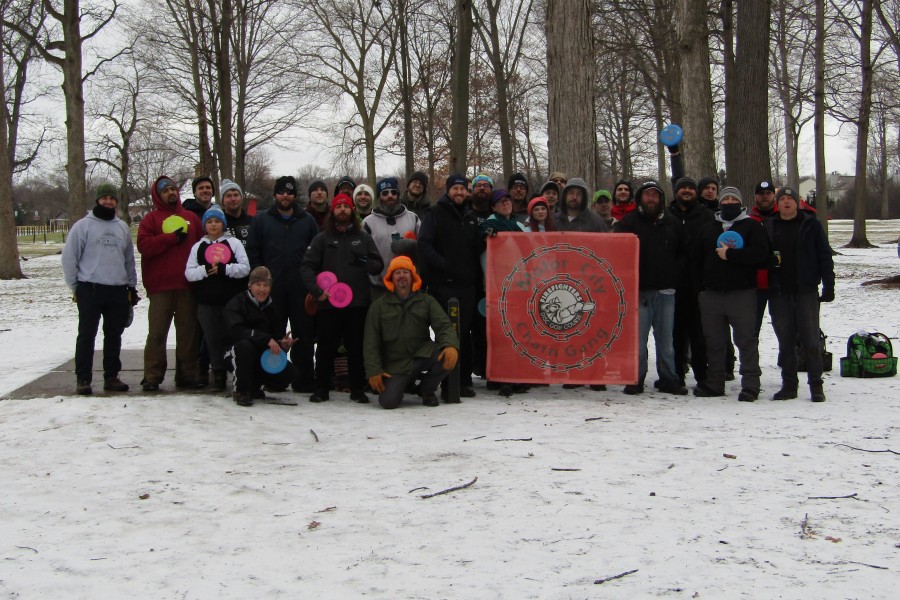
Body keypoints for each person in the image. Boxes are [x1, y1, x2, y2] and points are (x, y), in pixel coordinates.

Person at [301, 194, 384, 403]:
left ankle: (357, 389)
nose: (343, 210)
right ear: (333, 211)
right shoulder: (322, 238)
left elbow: (377, 264)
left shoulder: (363, 236)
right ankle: (321, 388)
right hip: (328, 303)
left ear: (352, 211)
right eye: (339, 207)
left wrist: (362, 260)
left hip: (357, 303)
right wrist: (317, 291)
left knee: (356, 347)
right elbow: (307, 266)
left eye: (346, 207)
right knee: (326, 347)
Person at [692, 186, 770, 401]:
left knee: (746, 340)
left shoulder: (752, 226)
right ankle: (715, 383)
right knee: (714, 342)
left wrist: (733, 255)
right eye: (725, 199)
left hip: (741, 293)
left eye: (732, 199)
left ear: (740, 202)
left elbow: (762, 254)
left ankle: (751, 385)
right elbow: (697, 260)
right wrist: (701, 288)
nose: (728, 202)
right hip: (711, 295)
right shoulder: (709, 227)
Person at [62, 183, 138, 395]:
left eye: (112, 198)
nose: (108, 201)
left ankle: (111, 377)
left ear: (116, 202)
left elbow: (129, 259)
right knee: (87, 335)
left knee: (114, 335)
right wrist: (75, 286)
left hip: (117, 289)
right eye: (104, 198)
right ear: (97, 200)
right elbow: (69, 258)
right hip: (90, 288)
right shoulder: (83, 226)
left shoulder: (122, 227)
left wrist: (132, 286)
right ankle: (83, 379)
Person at [246, 175, 319, 392]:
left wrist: (311, 282)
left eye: (289, 192)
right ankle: (273, 379)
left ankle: (304, 379)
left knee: (302, 336)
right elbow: (253, 251)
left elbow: (316, 254)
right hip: (272, 289)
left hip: (300, 288)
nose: (285, 196)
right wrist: (260, 281)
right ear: (275, 195)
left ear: (295, 196)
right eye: (281, 192)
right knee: (273, 334)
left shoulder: (307, 221)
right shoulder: (261, 220)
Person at [613, 181, 687, 395]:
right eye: (648, 195)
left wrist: (675, 272)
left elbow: (684, 251)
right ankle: (636, 378)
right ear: (640, 199)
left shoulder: (673, 223)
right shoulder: (628, 223)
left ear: (661, 199)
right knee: (638, 341)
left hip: (666, 291)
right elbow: (618, 253)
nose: (652, 199)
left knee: (666, 341)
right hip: (639, 291)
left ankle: (669, 378)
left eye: (656, 195)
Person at [763, 187, 835, 402]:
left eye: (790, 199)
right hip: (779, 292)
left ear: (798, 203)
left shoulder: (811, 225)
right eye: (782, 199)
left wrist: (828, 285)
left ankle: (816, 386)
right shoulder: (769, 225)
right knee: (785, 341)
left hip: (806, 291)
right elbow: (762, 256)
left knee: (810, 340)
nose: (786, 202)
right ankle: (789, 385)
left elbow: (824, 255)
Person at [418, 172, 483, 400]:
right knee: (447, 334)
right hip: (443, 285)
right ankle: (445, 381)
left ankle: (463, 381)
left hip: (467, 286)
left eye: (462, 189)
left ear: (467, 192)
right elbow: (424, 245)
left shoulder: (471, 217)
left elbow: (477, 248)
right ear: (448, 191)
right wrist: (443, 265)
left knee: (464, 334)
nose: (459, 192)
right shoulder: (434, 214)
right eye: (455, 189)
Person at [363, 256, 459, 409]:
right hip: (396, 363)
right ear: (391, 278)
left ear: (413, 276)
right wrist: (374, 371)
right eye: (397, 272)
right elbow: (370, 342)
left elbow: (444, 326)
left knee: (447, 355)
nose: (402, 276)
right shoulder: (378, 306)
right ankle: (402, 385)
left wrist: (450, 345)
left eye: (406, 272)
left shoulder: (427, 301)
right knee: (388, 402)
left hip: (422, 353)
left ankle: (427, 390)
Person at [137, 175, 204, 391]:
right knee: (157, 333)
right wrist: (171, 238)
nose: (171, 193)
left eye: (173, 189)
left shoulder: (191, 218)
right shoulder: (151, 219)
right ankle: (153, 375)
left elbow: (202, 248)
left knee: (188, 333)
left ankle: (187, 374)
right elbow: (144, 246)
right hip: (160, 288)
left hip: (187, 286)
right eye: (165, 190)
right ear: (158, 195)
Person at [185, 205, 251, 391]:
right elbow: (189, 273)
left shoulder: (234, 243)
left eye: (217, 221)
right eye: (210, 222)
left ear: (223, 224)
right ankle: (218, 374)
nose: (213, 225)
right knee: (211, 338)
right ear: (205, 225)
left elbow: (245, 268)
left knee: (231, 336)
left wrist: (225, 269)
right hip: (206, 302)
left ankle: (238, 371)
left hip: (231, 301)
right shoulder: (198, 247)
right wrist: (206, 270)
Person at [223, 267, 299, 406]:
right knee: (244, 347)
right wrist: (266, 339)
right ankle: (241, 391)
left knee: (291, 373)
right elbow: (237, 331)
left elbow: (275, 338)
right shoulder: (237, 302)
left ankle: (254, 385)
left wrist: (282, 345)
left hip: (261, 355)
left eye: (266, 285)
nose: (262, 289)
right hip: (235, 352)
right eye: (258, 285)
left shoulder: (273, 307)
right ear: (249, 285)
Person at [667, 176, 714, 387]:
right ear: (676, 192)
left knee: (699, 333)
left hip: (698, 283)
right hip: (673, 283)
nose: (686, 191)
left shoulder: (707, 216)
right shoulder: (667, 215)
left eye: (690, 188)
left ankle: (702, 375)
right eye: (682, 188)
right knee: (676, 332)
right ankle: (677, 373)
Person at [363, 177, 421, 297]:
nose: (390, 196)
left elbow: (425, 245)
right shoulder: (368, 223)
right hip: (379, 287)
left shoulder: (412, 218)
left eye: (394, 192)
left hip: (409, 285)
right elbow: (363, 253)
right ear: (379, 196)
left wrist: (413, 245)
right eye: (385, 193)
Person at [220, 179, 253, 248]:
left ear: (241, 198)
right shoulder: (218, 223)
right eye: (228, 196)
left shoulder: (253, 222)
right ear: (222, 201)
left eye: (236, 195)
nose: (233, 199)